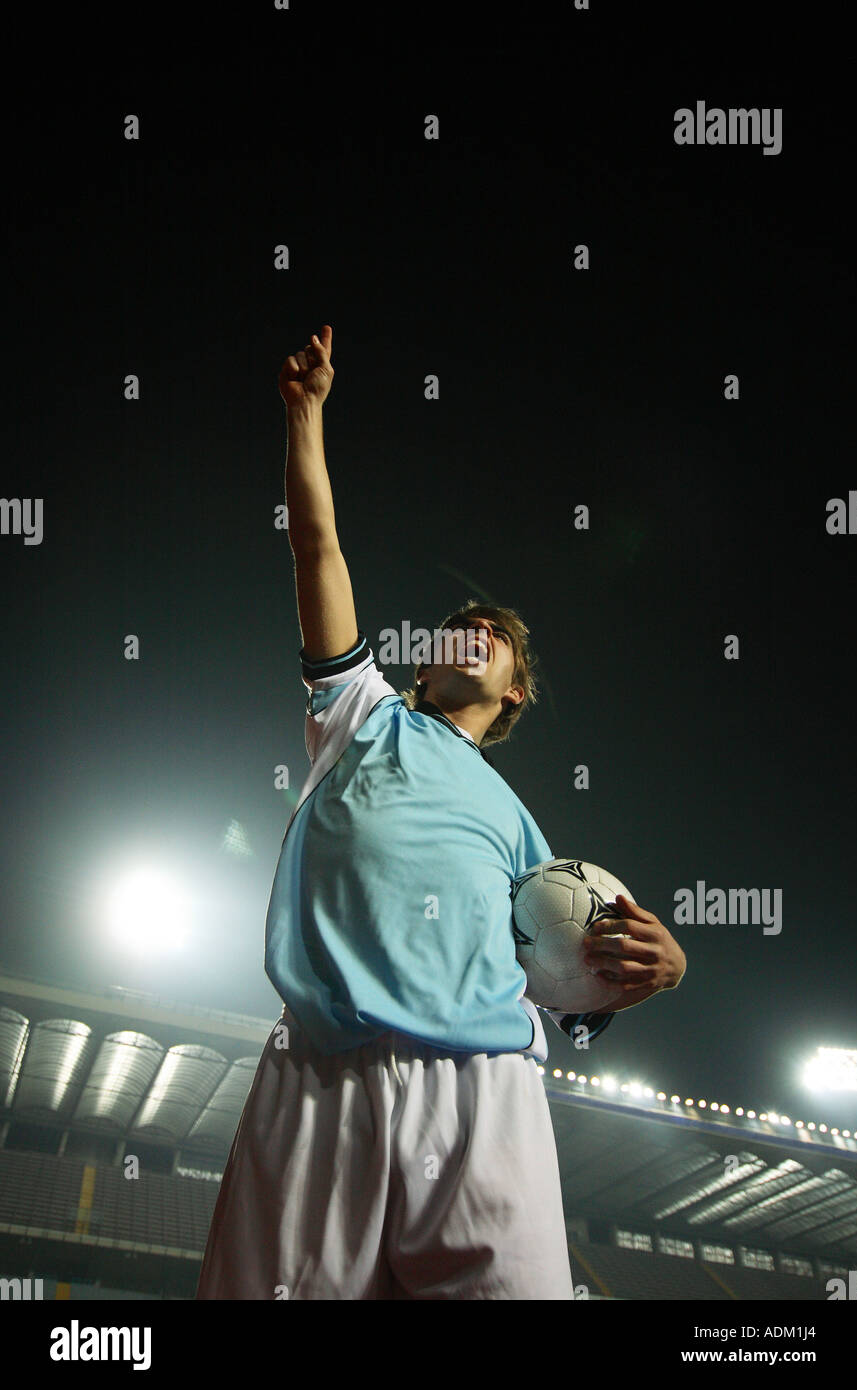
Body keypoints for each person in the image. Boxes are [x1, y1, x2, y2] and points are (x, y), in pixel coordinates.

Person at [195, 325, 687, 1301]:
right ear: (417, 662)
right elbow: (316, 544)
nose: (468, 630)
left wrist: (657, 971)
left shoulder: (527, 837)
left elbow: (573, 993)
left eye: (492, 637)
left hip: (484, 1091)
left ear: (512, 694)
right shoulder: (360, 714)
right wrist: (304, 414)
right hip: (323, 1071)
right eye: (456, 625)